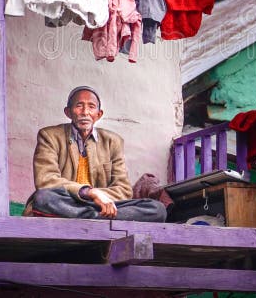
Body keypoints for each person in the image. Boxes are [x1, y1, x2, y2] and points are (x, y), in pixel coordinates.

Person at [26, 86, 167, 222]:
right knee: (43, 198)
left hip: (101, 206)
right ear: (68, 112)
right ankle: (99, 219)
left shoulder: (113, 141)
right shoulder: (49, 136)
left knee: (157, 208)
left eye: (91, 107)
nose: (85, 112)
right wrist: (90, 193)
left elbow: (123, 190)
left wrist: (100, 200)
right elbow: (46, 180)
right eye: (79, 106)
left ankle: (90, 217)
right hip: (68, 202)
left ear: (99, 114)